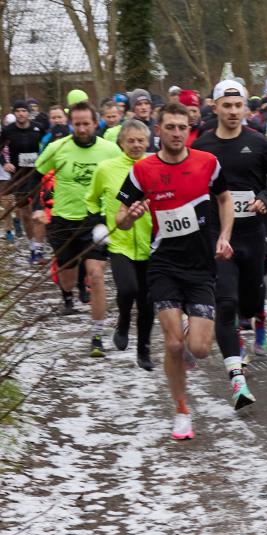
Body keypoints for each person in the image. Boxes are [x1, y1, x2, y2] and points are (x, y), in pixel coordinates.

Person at [116, 102, 235, 440]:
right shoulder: (144, 170)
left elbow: (225, 200)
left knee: (198, 348)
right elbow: (120, 219)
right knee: (171, 345)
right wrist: (131, 216)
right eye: (170, 127)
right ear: (159, 130)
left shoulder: (207, 164)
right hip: (164, 265)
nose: (177, 133)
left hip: (200, 266)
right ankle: (181, 410)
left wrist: (225, 236)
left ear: (189, 129)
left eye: (182, 127)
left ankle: (187, 326)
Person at [193, 80, 267, 408]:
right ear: (215, 107)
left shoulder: (258, 143)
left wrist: (266, 196)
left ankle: (254, 316)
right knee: (226, 303)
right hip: (220, 237)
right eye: (227, 106)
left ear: (246, 108)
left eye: (238, 106)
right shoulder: (203, 145)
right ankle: (237, 380)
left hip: (252, 235)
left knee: (249, 301)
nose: (233, 112)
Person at [34, 102, 122, 334]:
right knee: (68, 278)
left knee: (96, 274)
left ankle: (97, 332)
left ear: (95, 123)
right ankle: (67, 295)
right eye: (77, 124)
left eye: (86, 124)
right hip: (63, 221)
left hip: (95, 220)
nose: (82, 129)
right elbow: (36, 176)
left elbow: (124, 177)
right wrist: (37, 207)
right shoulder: (57, 147)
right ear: (71, 124)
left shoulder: (110, 150)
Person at [86, 119, 155, 370]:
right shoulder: (106, 168)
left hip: (151, 244)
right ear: (121, 143)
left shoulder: (155, 165)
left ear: (148, 142)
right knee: (127, 290)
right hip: (119, 243)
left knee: (148, 300)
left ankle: (144, 349)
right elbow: (91, 200)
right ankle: (124, 319)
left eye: (140, 141)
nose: (136, 145)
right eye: (131, 141)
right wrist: (98, 224)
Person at [1, 100, 46, 263]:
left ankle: (38, 247)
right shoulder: (8, 130)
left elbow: (49, 144)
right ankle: (32, 244)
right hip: (18, 177)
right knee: (26, 214)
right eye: (18, 111)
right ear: (15, 113)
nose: (21, 114)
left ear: (28, 113)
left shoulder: (38, 127)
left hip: (36, 175)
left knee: (37, 212)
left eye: (23, 111)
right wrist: (5, 163)